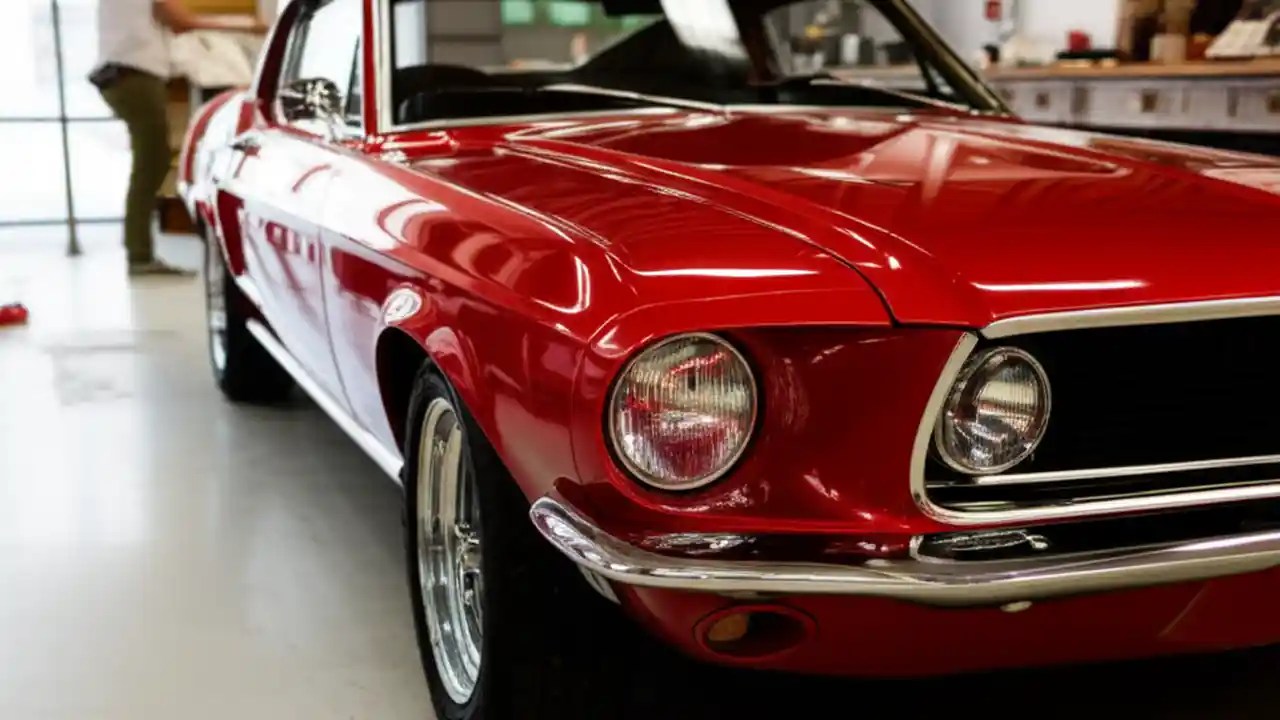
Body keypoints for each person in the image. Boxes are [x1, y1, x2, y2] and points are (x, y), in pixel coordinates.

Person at [90, 0, 265, 276]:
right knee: (151, 163)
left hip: (122, 75)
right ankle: (139, 254)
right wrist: (249, 26)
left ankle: (139, 250)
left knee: (151, 162)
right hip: (135, 76)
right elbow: (179, 20)